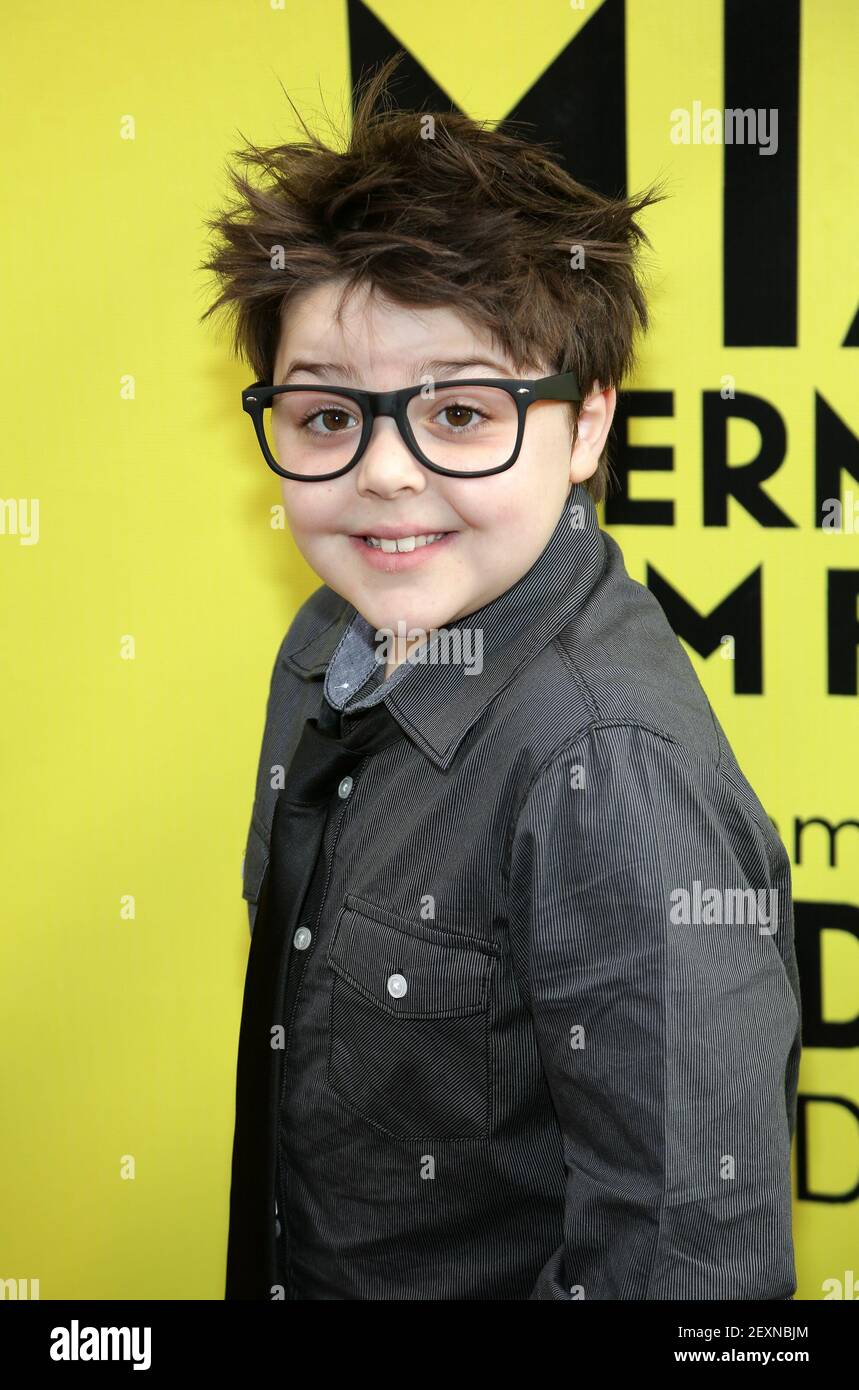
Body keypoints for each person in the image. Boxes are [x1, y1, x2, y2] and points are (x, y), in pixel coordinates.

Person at [200, 54, 801, 1300]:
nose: (386, 473)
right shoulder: (327, 636)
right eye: (326, 417)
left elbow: (690, 1265)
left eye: (462, 413)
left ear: (586, 424)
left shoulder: (609, 765)